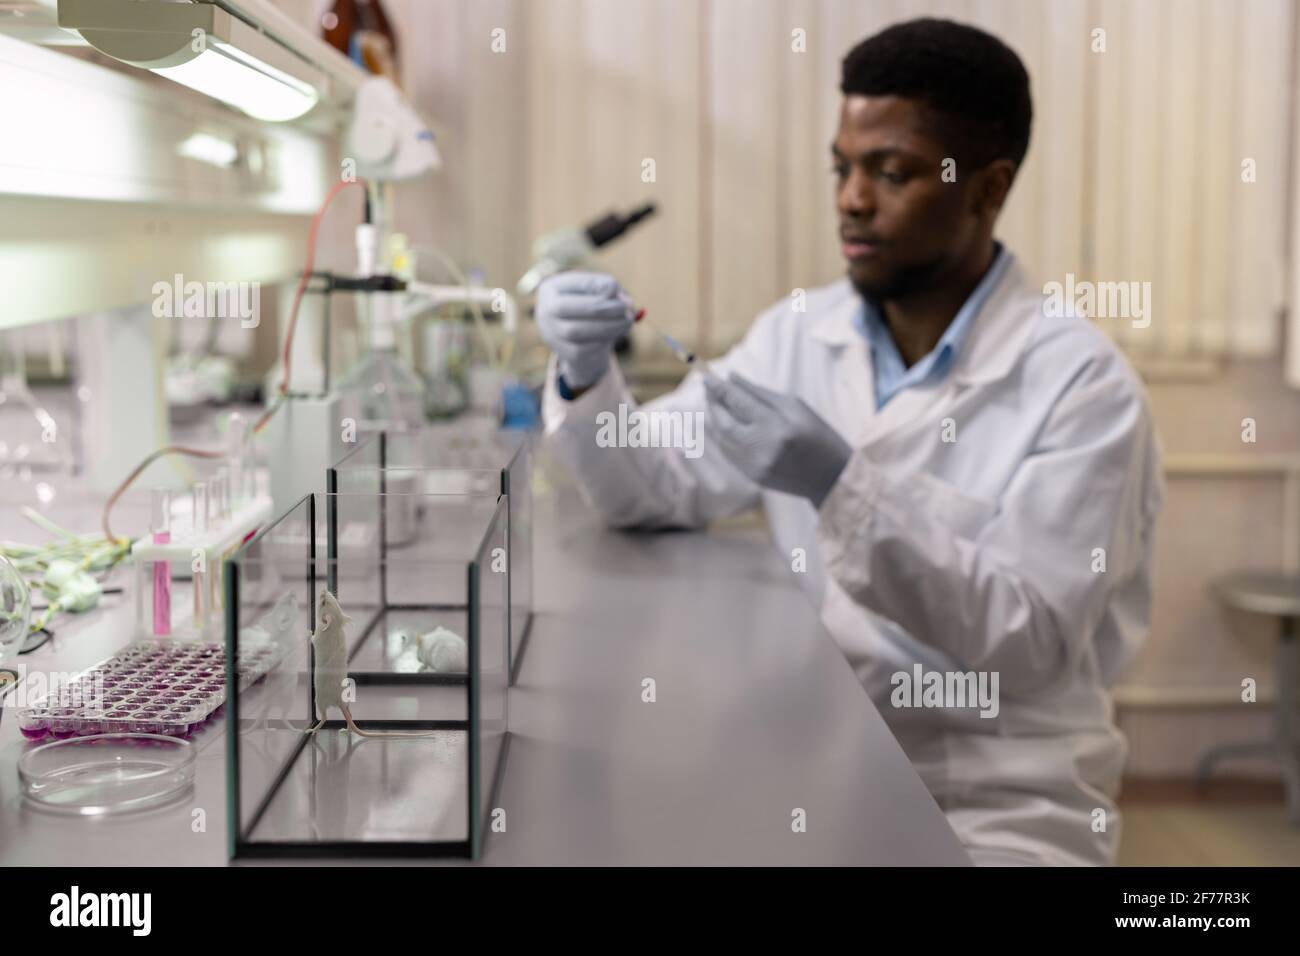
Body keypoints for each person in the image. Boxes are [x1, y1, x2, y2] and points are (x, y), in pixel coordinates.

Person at [536, 17, 1163, 866]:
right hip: (817, 763)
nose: (851, 199)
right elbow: (646, 490)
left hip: (993, 800)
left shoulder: (1082, 388)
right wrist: (582, 375)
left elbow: (1030, 639)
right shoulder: (798, 335)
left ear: (987, 187)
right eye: (842, 168)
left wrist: (840, 487)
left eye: (890, 172)